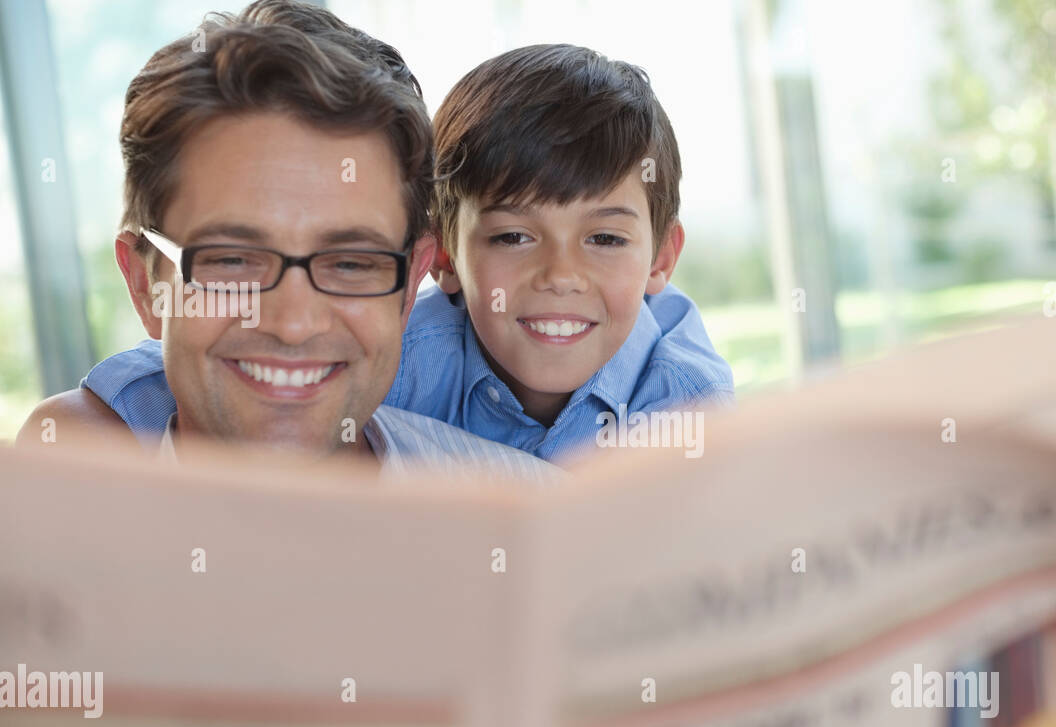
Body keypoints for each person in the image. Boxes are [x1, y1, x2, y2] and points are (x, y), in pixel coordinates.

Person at [33, 42, 733, 464]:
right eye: (513, 236)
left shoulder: (685, 398)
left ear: (661, 260)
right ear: (446, 264)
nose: (560, 276)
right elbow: (234, 367)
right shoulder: (405, 355)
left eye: (606, 239)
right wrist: (91, 421)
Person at [17, 0, 555, 483]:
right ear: (145, 285)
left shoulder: (529, 521)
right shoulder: (56, 517)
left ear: (410, 285)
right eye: (230, 260)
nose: (293, 325)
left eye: (350, 264)